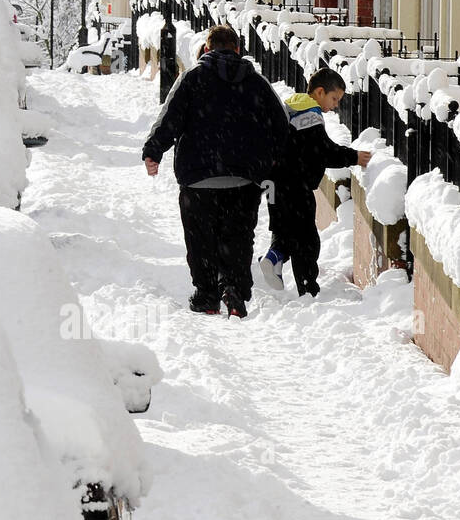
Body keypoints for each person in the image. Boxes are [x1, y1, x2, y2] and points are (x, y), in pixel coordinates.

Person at [142, 24, 290, 318]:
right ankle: (234, 290)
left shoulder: (192, 78)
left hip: (198, 177)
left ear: (207, 49)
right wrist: (269, 159)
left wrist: (153, 151)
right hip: (243, 178)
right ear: (237, 49)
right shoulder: (256, 82)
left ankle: (207, 294)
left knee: (200, 239)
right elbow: (281, 123)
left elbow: (170, 118)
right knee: (238, 237)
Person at [259, 67, 372, 297]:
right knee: (307, 240)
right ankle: (308, 288)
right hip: (295, 185)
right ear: (319, 92)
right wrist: (354, 157)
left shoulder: (292, 106)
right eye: (334, 98)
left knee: (283, 228)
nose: (335, 105)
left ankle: (274, 257)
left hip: (274, 181)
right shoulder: (309, 115)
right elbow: (323, 151)